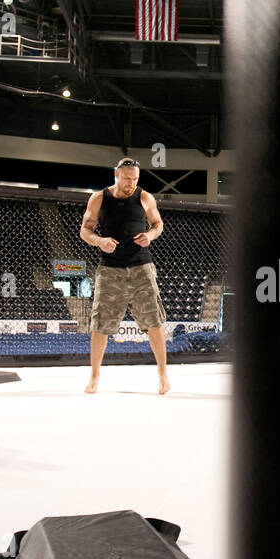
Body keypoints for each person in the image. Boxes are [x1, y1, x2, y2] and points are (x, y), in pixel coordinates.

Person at [80, 158, 170, 394]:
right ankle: (94, 376)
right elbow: (85, 230)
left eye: (135, 178)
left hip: (141, 266)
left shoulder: (144, 197)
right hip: (110, 269)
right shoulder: (99, 198)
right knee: (100, 324)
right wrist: (100, 241)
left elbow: (158, 224)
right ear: (117, 175)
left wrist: (150, 236)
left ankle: (163, 373)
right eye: (127, 177)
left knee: (154, 321)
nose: (131, 182)